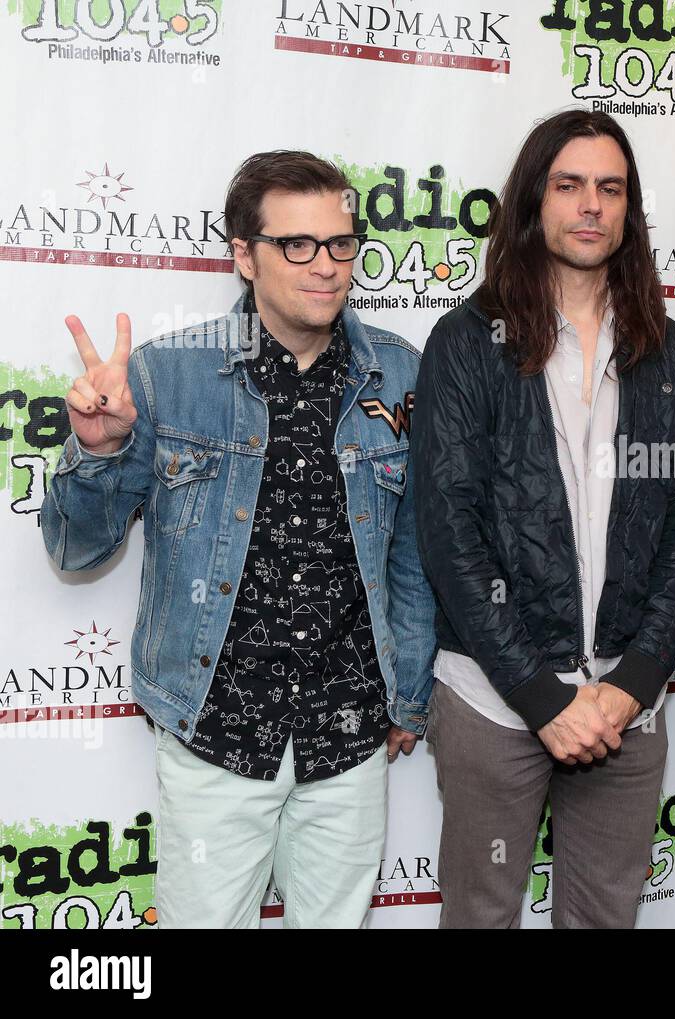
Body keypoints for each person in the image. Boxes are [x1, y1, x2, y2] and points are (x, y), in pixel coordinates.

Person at [40, 151, 435, 928]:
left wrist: (409, 693)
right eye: (297, 245)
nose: (325, 266)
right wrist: (99, 450)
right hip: (215, 734)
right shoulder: (165, 376)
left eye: (341, 243)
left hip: (349, 741)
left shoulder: (397, 373)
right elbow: (73, 550)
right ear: (243, 255)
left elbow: (413, 550)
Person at [412, 110, 675, 929]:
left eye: (610, 189)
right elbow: (449, 530)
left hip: (625, 704)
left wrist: (636, 682)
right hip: (497, 700)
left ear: (629, 209)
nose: (590, 206)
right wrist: (542, 696)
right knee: (482, 914)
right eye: (569, 185)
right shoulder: (469, 341)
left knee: (606, 917)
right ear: (534, 199)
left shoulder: (662, 346)